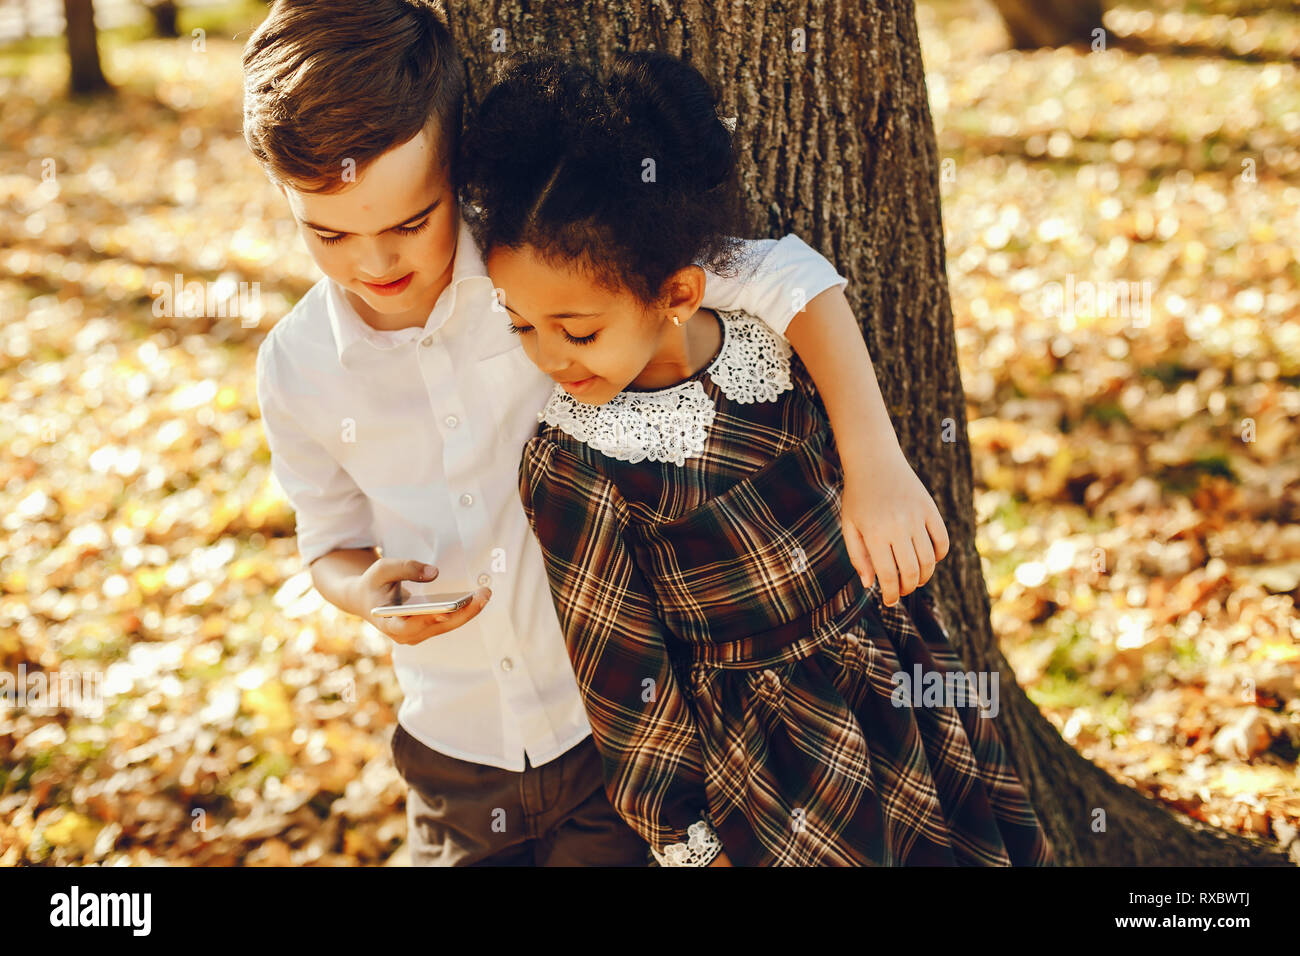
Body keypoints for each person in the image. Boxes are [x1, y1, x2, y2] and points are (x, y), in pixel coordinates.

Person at [243, 0, 946, 865]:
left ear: (453, 175)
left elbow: (783, 276)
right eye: (328, 233)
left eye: (409, 223)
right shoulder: (297, 367)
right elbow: (328, 542)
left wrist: (874, 459)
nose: (375, 264)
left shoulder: (541, 268)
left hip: (608, 744)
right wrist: (365, 593)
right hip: (452, 752)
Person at [460, 50, 1056, 866]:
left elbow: (785, 272)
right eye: (521, 325)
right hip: (776, 762)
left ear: (677, 294)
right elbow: (622, 673)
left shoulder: (766, 351)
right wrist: (680, 835)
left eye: (580, 329)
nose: (550, 357)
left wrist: (878, 468)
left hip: (897, 684)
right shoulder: (575, 463)